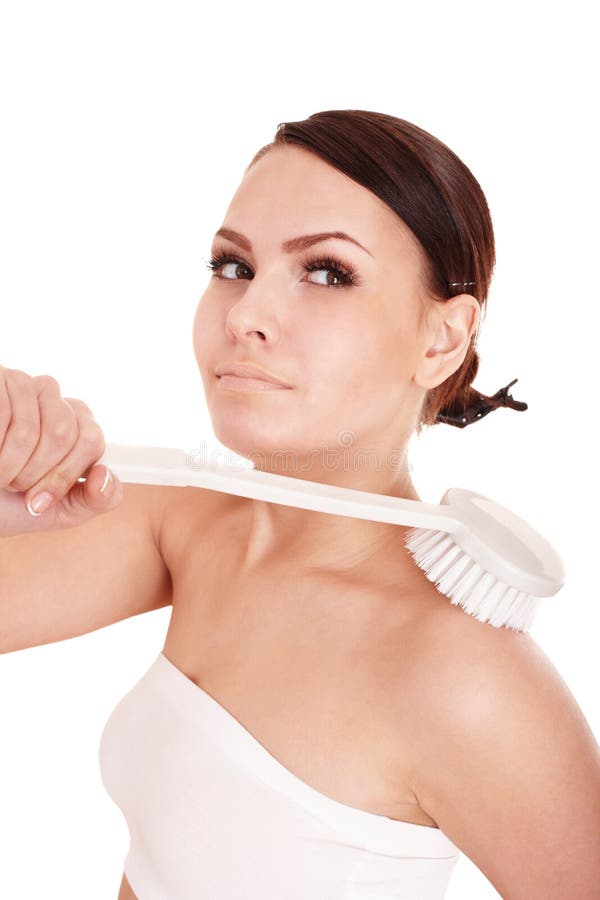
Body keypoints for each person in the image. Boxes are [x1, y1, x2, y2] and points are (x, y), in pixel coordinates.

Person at [1, 109, 599, 899]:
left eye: (326, 272)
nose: (245, 316)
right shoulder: (188, 520)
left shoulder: (467, 678)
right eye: (232, 266)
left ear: (442, 341)